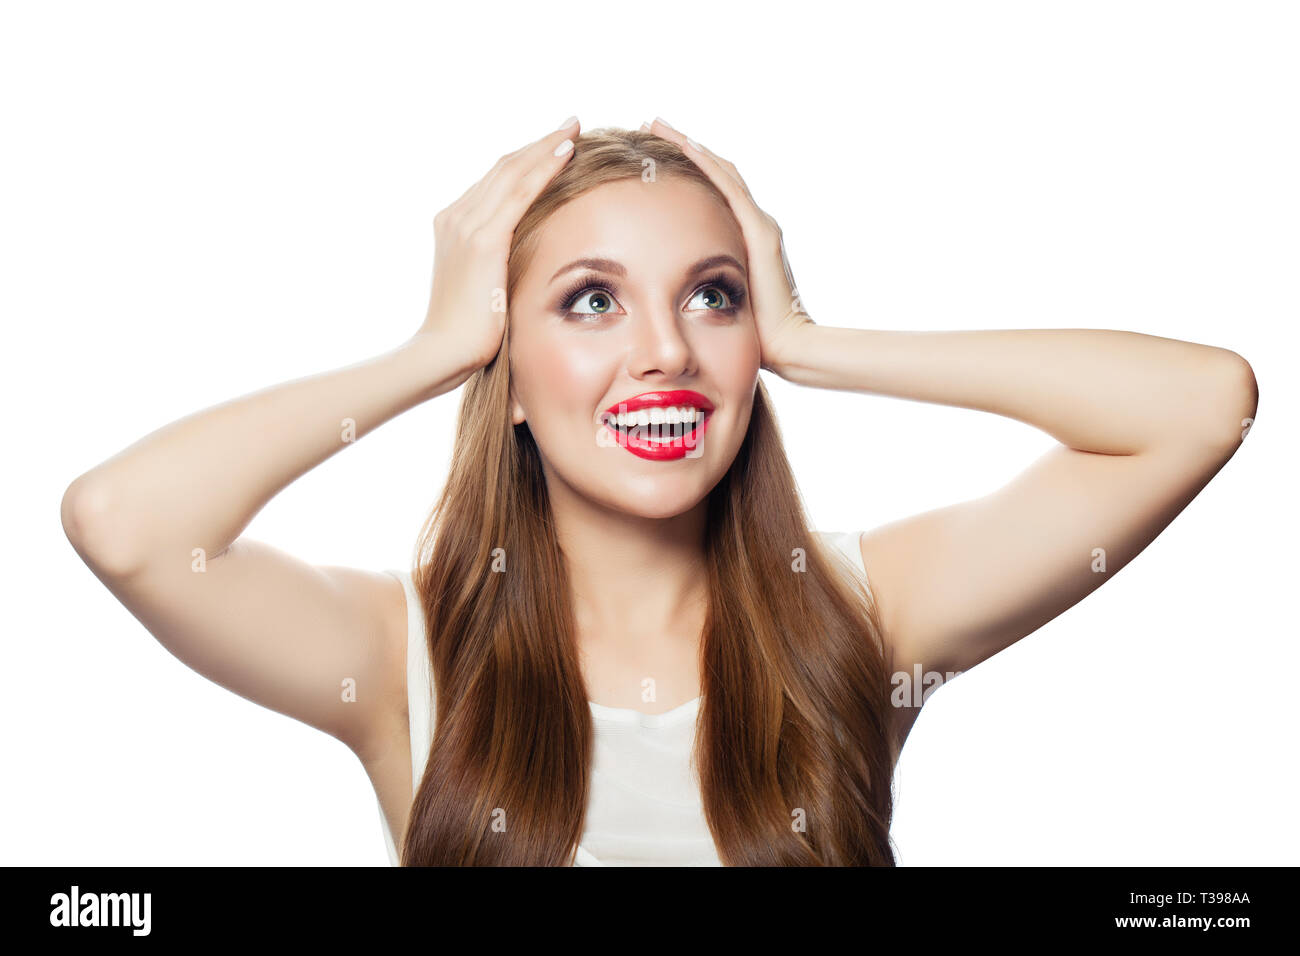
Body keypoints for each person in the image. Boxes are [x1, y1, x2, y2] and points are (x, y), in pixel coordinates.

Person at [60, 116, 1258, 866]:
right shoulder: (401, 649)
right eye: (591, 300)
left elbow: (1200, 407)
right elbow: (128, 525)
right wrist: (432, 351)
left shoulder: (863, 613)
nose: (666, 352)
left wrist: (814, 340)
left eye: (711, 295)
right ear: (508, 366)